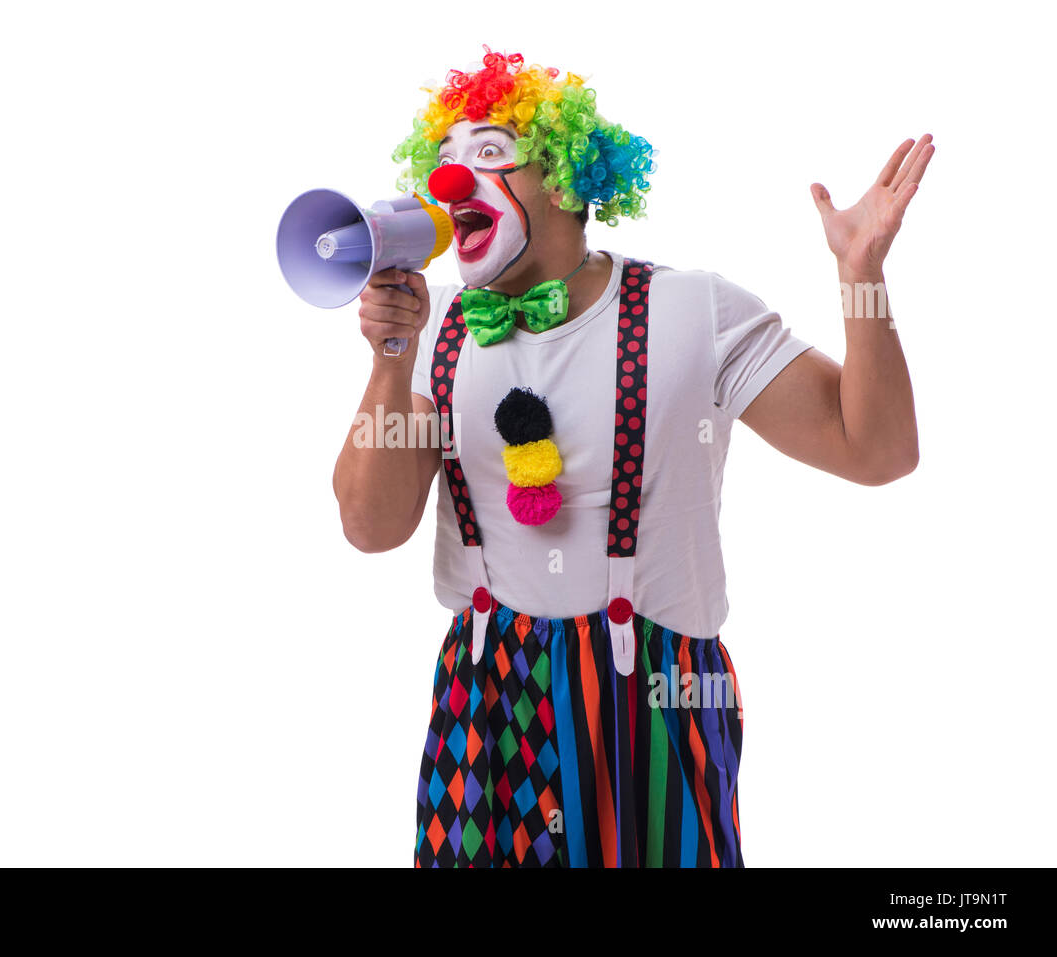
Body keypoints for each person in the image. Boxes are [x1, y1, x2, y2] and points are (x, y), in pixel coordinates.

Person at [330, 46, 928, 867]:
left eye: (492, 155)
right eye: (444, 161)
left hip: (659, 690)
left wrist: (862, 274)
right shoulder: (439, 331)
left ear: (572, 178)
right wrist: (391, 357)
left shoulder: (692, 312)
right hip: (484, 698)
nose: (451, 182)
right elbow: (368, 525)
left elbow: (879, 449)